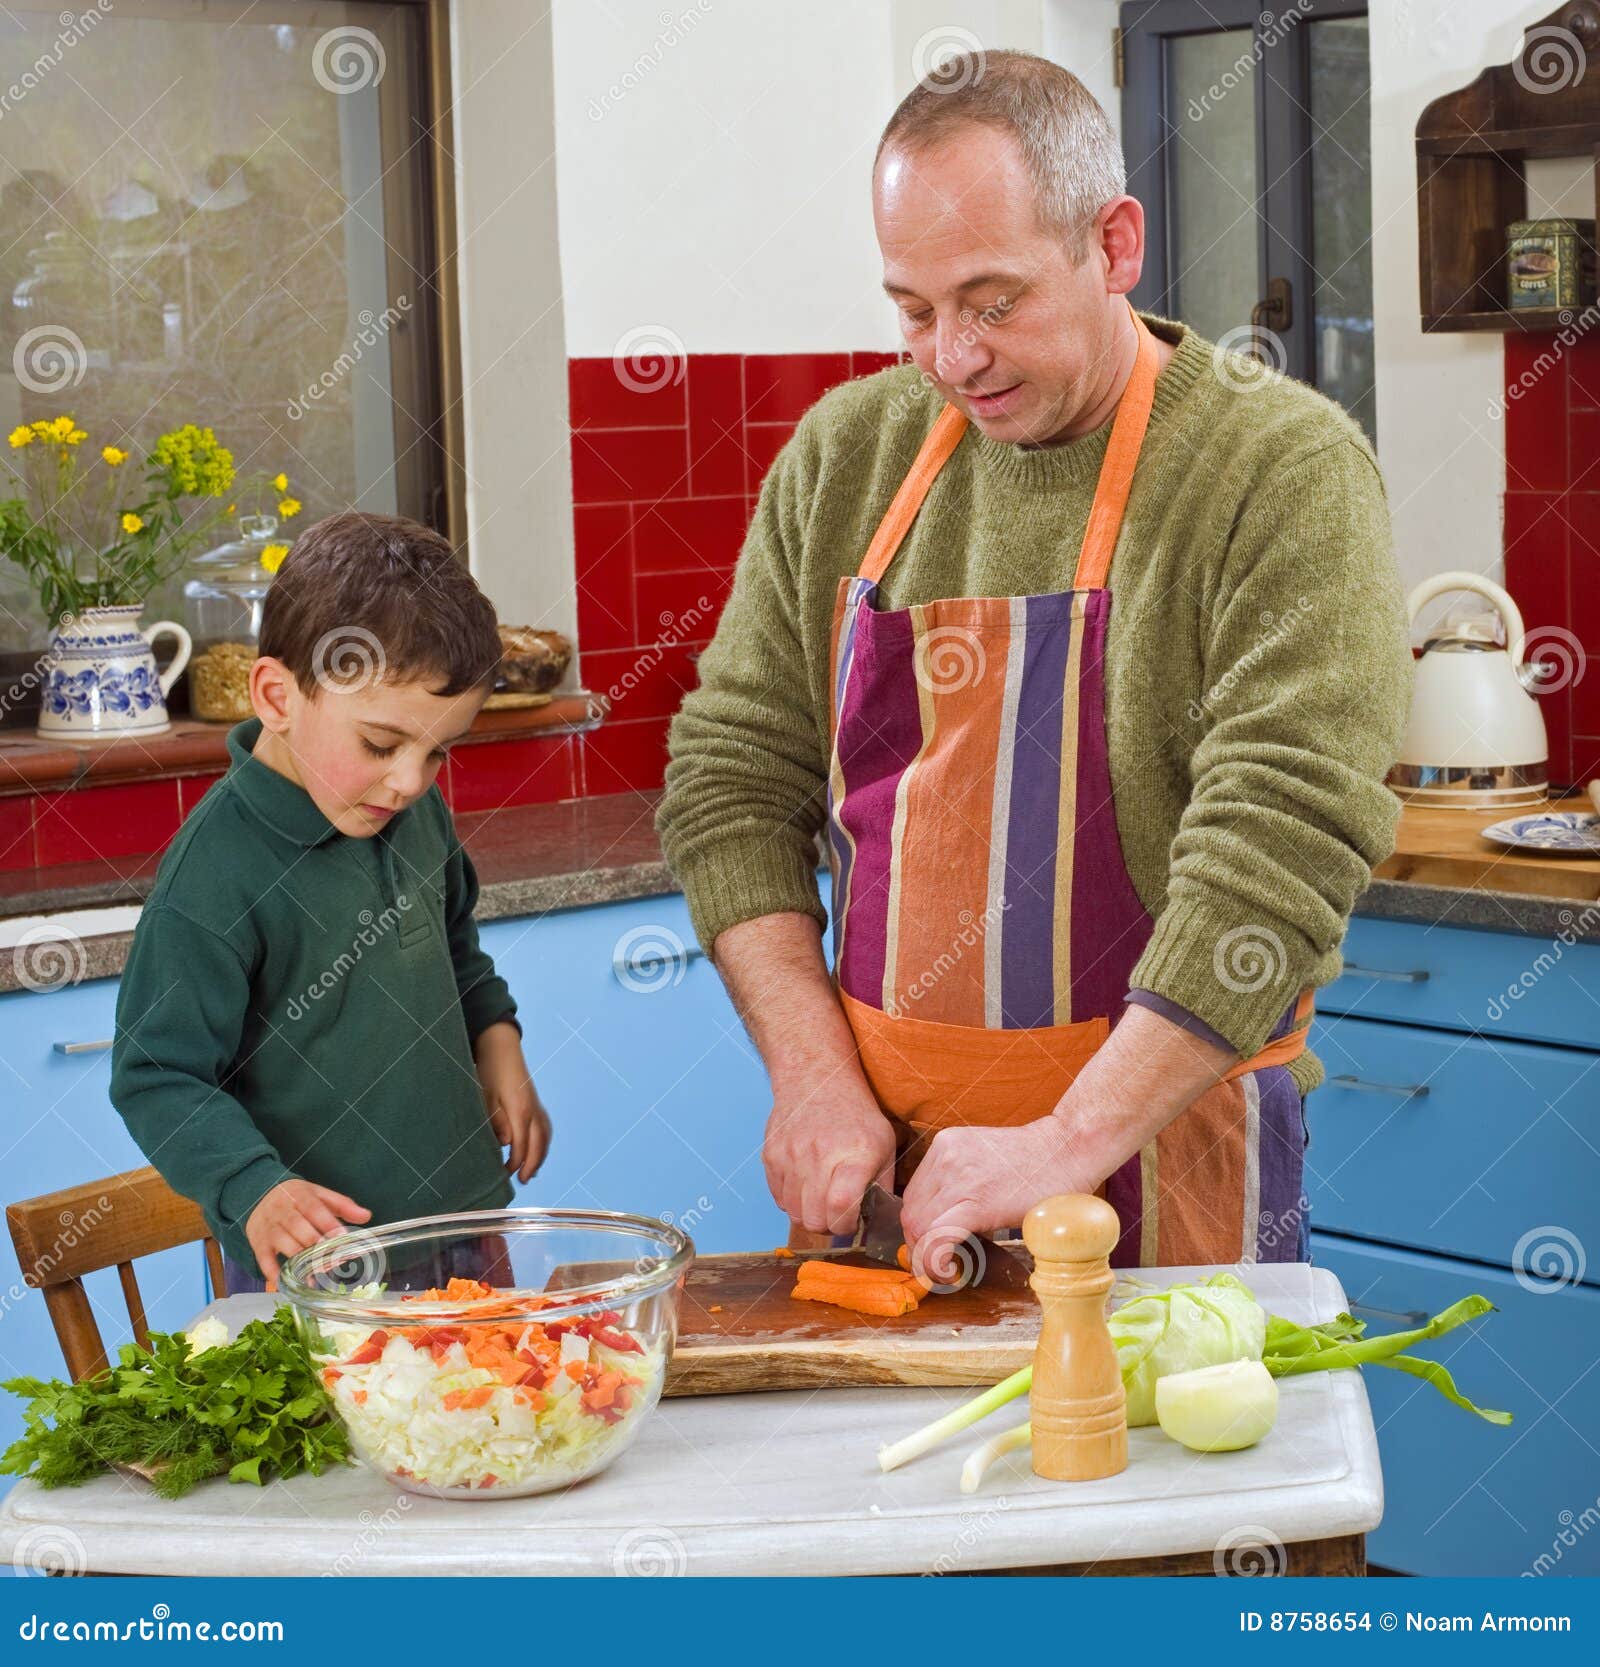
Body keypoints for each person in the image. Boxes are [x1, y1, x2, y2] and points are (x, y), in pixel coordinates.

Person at [656, 51, 1412, 1275]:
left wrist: (1068, 1135)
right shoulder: (847, 454)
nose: (952, 355)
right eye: (913, 308)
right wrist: (810, 1078)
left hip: (1165, 1160)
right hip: (884, 1179)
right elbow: (732, 779)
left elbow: (1282, 845)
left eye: (991, 300)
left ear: (1115, 245)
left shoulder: (1279, 471)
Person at [111, 512, 550, 1291]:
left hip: (466, 1226)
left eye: (438, 750)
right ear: (277, 695)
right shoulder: (212, 876)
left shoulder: (410, 811)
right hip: (324, 1267)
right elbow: (158, 1074)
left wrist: (499, 1040)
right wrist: (255, 1189)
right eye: (382, 745)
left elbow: (457, 947)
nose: (411, 780)